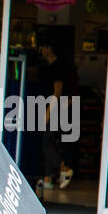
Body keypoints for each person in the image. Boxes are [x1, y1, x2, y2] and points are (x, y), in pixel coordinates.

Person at [37, 40, 74, 192]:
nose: (40, 50)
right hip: (53, 107)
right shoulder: (49, 67)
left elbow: (57, 91)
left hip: (55, 108)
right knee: (48, 141)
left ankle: (64, 168)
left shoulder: (58, 66)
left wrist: (48, 110)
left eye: (42, 46)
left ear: (49, 47)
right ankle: (47, 178)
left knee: (46, 142)